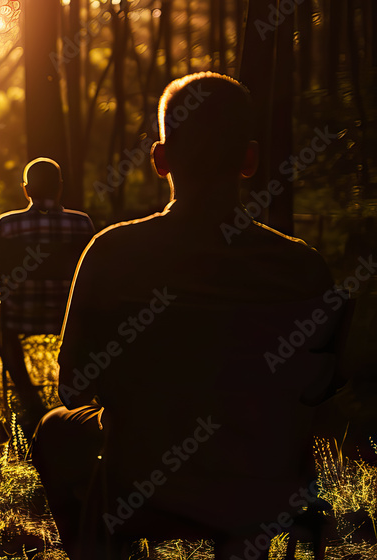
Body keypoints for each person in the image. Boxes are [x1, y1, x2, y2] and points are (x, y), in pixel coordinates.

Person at [32, 73, 343, 559]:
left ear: (160, 159)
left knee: (55, 429)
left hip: (143, 485)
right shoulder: (304, 268)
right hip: (268, 487)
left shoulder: (112, 254)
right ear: (249, 159)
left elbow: (72, 385)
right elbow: (322, 395)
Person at [0, 158, 95, 423]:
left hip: (19, 315)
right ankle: (78, 384)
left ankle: (25, 389)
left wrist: (14, 276)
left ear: (26, 190)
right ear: (60, 187)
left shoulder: (7, 224)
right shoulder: (82, 224)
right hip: (67, 317)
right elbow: (92, 271)